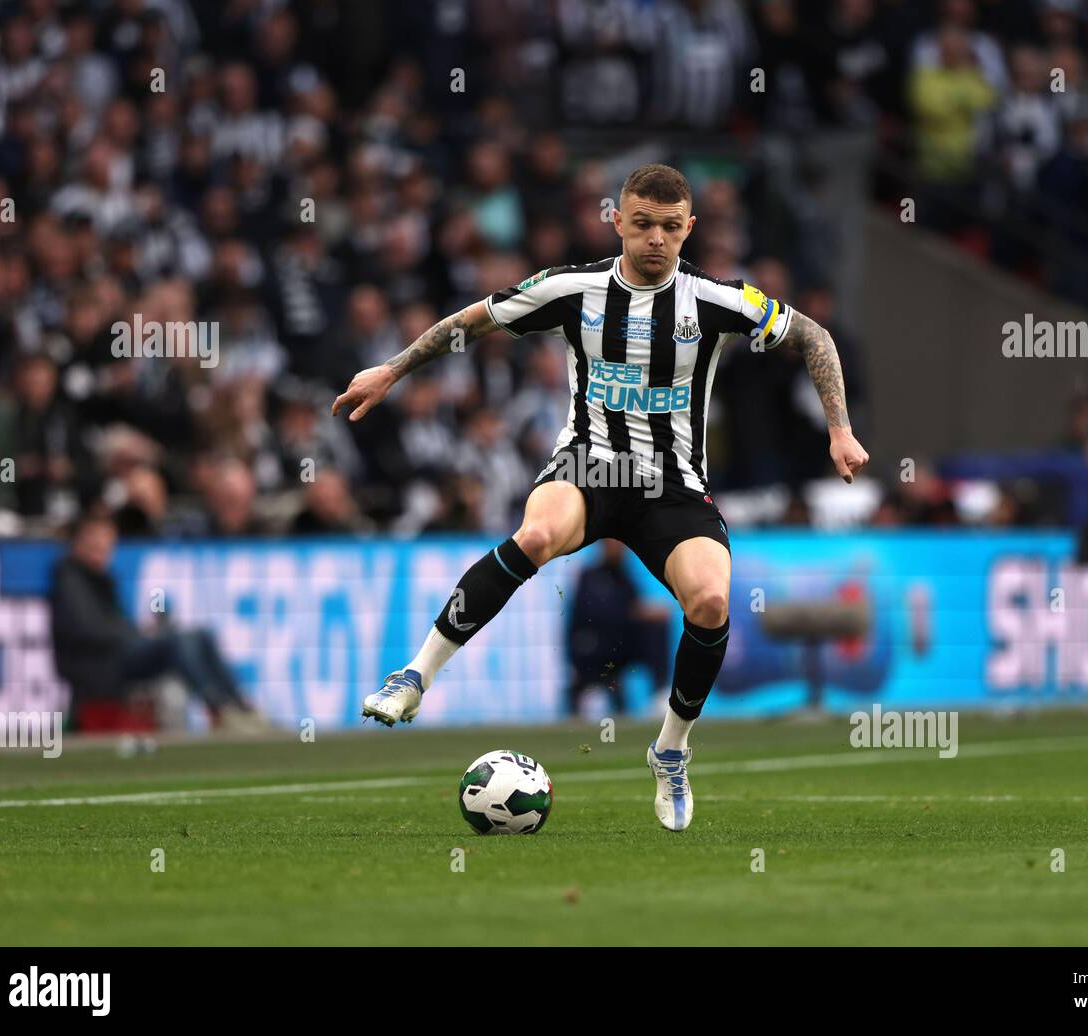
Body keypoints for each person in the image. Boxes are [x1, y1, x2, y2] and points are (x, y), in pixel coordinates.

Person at [333, 163, 869, 830]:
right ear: (617, 220)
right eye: (641, 224)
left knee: (709, 601)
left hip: (672, 485)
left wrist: (839, 432)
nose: (655, 239)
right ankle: (413, 676)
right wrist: (391, 369)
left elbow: (813, 336)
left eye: (670, 228)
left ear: (689, 229)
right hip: (588, 466)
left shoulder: (715, 300)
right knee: (532, 537)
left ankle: (670, 751)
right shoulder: (571, 289)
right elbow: (473, 321)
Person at [50, 511, 270, 732]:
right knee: (179, 641)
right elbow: (89, 629)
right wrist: (134, 634)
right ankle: (220, 709)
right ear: (77, 542)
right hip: (102, 665)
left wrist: (139, 632)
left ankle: (240, 705)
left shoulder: (101, 579)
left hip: (117, 654)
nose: (102, 545)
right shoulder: (69, 579)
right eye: (94, 538)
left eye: (106, 539)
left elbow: (110, 624)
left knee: (201, 634)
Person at [566, 538, 670, 718]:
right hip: (596, 648)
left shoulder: (624, 575)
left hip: (621, 645)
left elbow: (632, 610)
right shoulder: (590, 577)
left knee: (656, 628)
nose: (619, 549)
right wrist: (635, 612)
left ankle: (660, 693)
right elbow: (596, 615)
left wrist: (647, 613)